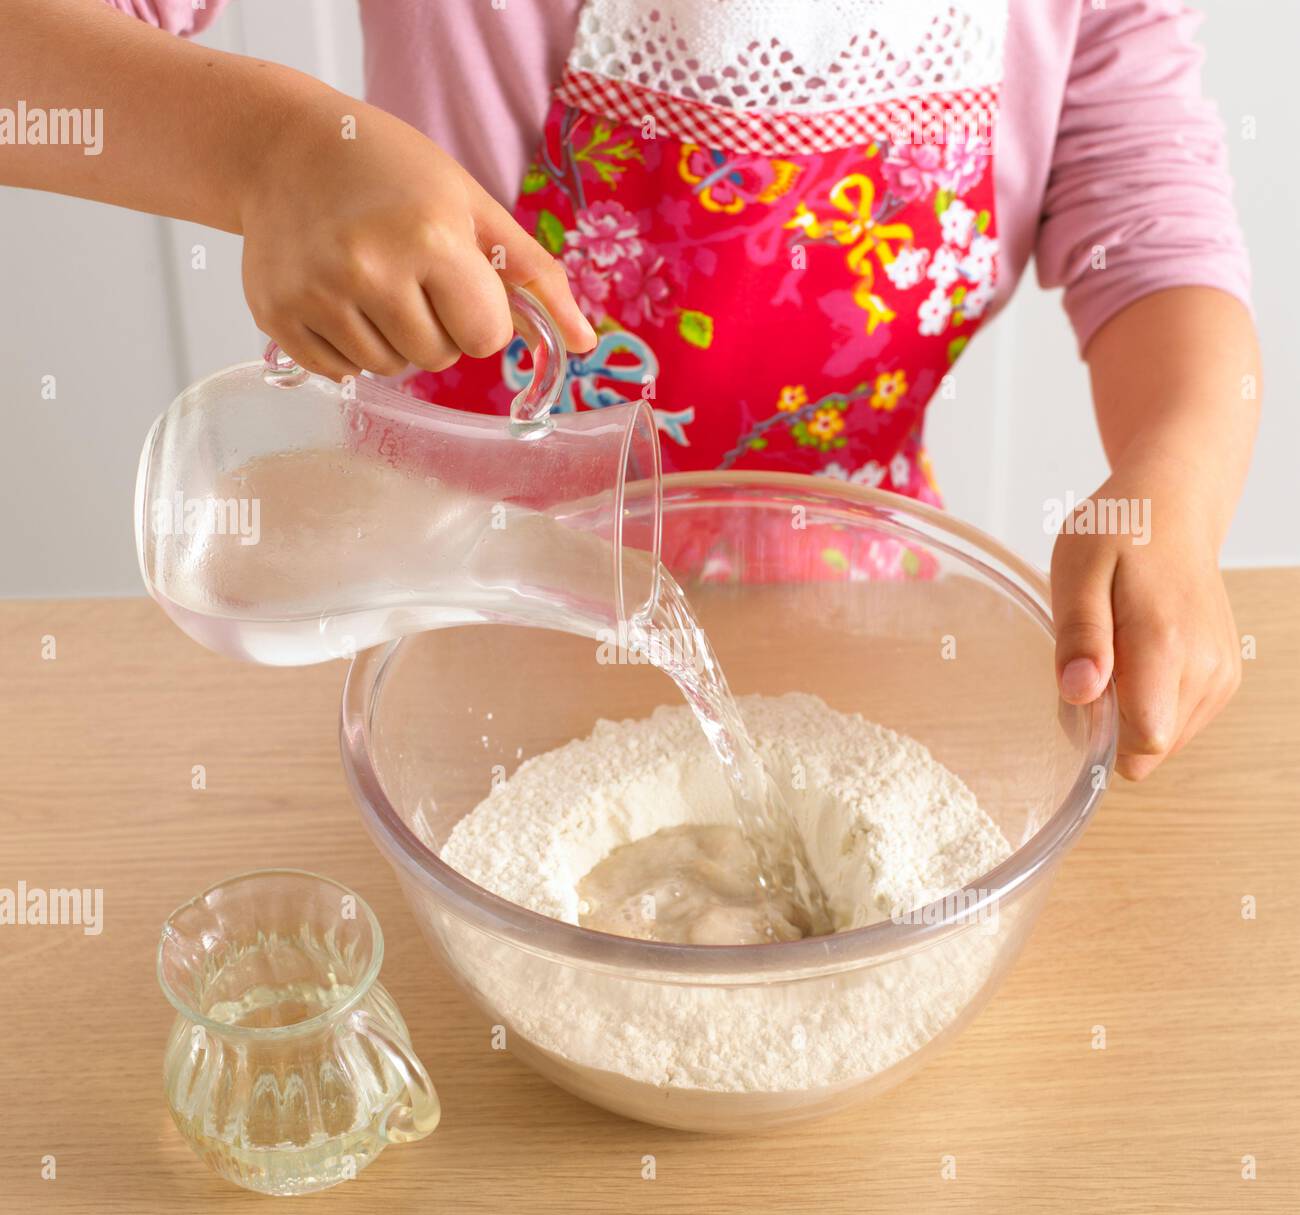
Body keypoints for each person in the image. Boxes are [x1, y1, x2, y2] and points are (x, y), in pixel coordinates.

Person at [1, 0, 1260, 780]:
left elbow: (1150, 236)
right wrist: (265, 153)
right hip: (462, 610)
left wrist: (1173, 485)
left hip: (859, 630)